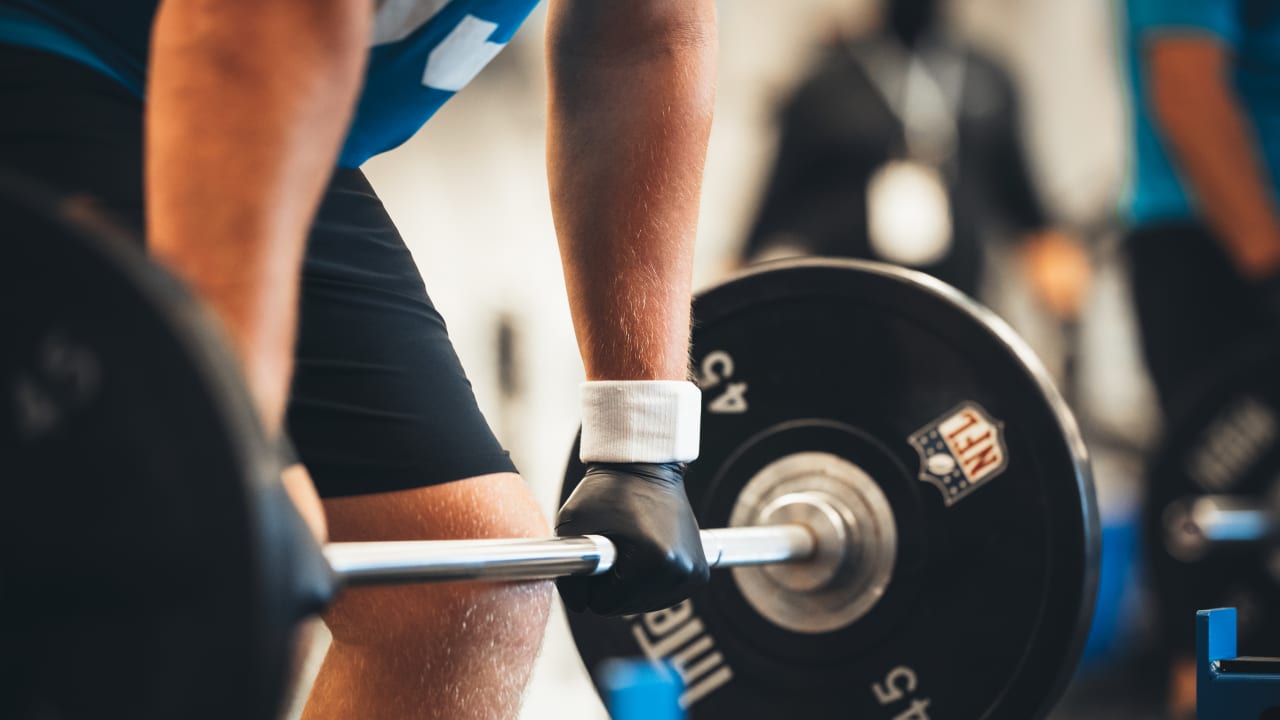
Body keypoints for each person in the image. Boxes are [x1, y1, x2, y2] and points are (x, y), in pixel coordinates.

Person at [0, 1, 717, 718]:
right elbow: (252, 25)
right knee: (222, 582)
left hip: (270, 105)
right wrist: (230, 463)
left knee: (468, 586)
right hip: (66, 47)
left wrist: (640, 445)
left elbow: (642, 36)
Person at [1120, 0, 1280, 715]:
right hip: (1219, 249)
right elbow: (1186, 83)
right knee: (1216, 546)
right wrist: (1269, 270)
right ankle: (1202, 696)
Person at [743, 0, 1089, 318]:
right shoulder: (826, 84)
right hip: (843, 311)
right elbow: (773, 203)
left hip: (960, 312)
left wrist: (1056, 263)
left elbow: (1025, 202)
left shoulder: (986, 79)